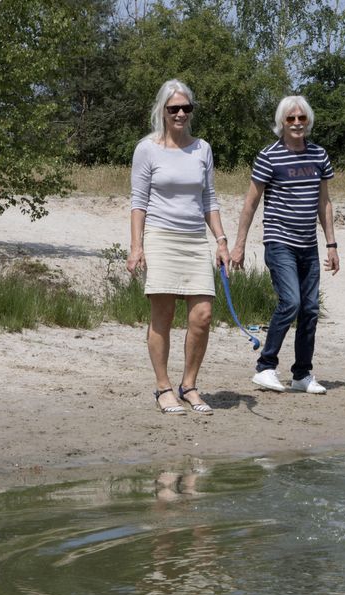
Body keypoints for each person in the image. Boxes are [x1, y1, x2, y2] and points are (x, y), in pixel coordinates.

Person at [126, 79, 230, 415]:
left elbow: (209, 199)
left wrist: (221, 240)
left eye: (187, 108)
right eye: (174, 109)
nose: (181, 113)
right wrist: (136, 246)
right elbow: (138, 201)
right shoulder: (147, 149)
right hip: (160, 238)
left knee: (203, 315)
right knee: (164, 316)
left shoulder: (203, 149)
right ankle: (163, 388)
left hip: (195, 240)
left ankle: (189, 385)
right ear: (162, 111)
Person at [230, 95, 339, 394]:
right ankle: (265, 367)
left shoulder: (319, 155)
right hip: (279, 242)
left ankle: (302, 375)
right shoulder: (269, 156)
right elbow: (251, 203)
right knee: (291, 301)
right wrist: (238, 245)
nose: (296, 123)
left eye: (301, 118)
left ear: (308, 121)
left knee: (311, 309)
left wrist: (332, 244)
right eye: (290, 119)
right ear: (281, 122)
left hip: (309, 245)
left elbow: (324, 202)